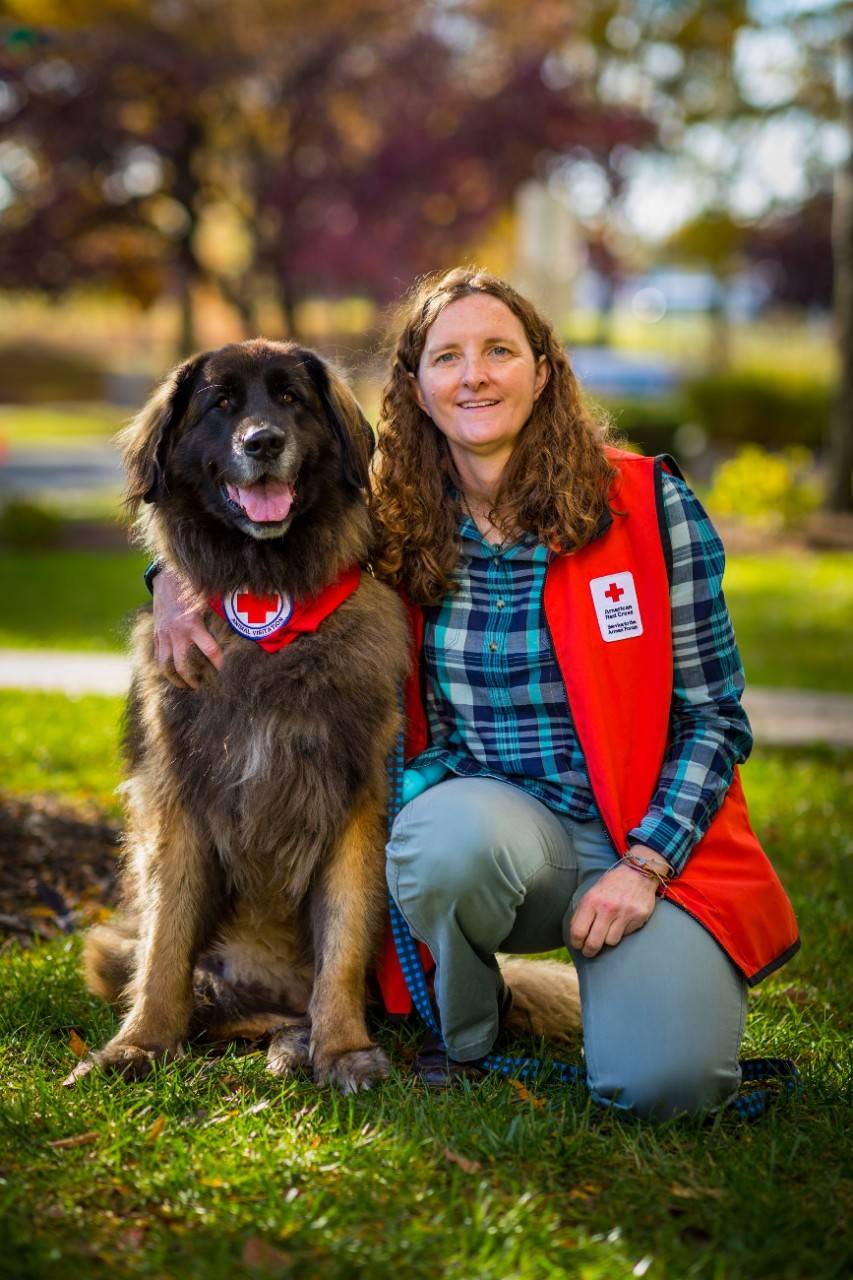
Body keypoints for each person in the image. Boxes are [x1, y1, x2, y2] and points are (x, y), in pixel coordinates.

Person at [151, 267, 799, 1119]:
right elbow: (255, 546)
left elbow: (714, 715)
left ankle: (636, 985)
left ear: (542, 369)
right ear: (416, 388)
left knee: (665, 1090)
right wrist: (165, 578)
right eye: (447, 356)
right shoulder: (392, 518)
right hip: (496, 835)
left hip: (647, 848)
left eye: (499, 350)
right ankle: (461, 1035)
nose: (474, 375)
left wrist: (645, 863)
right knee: (435, 839)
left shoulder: (647, 503)